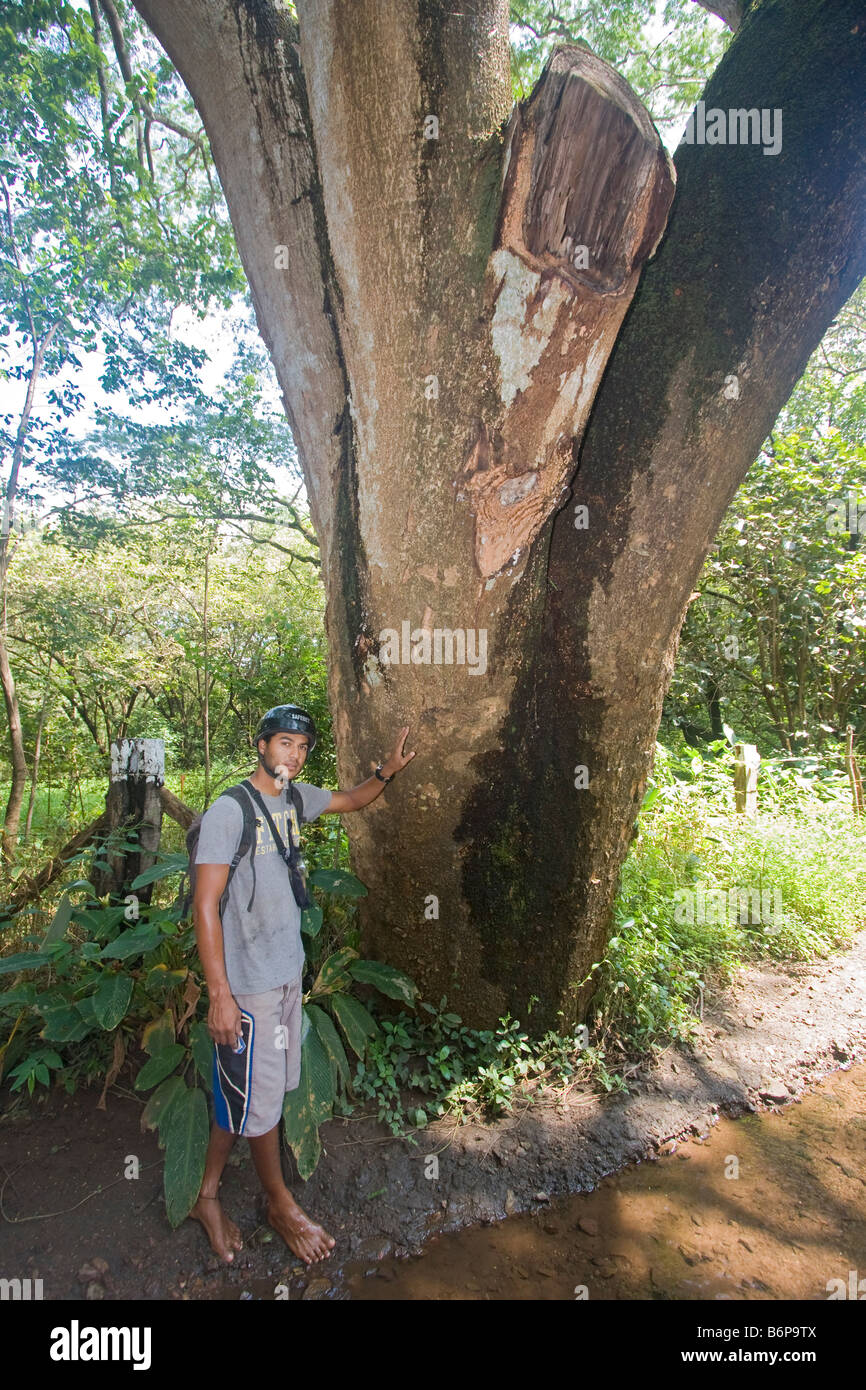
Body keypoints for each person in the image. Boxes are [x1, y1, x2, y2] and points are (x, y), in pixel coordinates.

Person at [190, 704, 415, 1266]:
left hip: (288, 973)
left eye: (302, 746)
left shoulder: (293, 796)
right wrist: (220, 993)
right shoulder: (229, 810)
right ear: (261, 745)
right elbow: (204, 905)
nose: (293, 753)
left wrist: (386, 772)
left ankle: (206, 1194)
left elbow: (350, 799)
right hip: (248, 987)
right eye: (284, 742)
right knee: (260, 1101)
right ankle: (279, 1204)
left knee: (248, 1092)